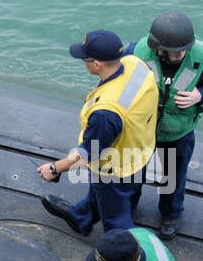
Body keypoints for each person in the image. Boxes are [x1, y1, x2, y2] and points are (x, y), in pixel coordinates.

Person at [38, 30, 159, 238]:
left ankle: (126, 257)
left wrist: (53, 168)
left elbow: (87, 155)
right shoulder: (134, 63)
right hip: (140, 151)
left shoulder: (105, 112)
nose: (83, 62)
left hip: (114, 169)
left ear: (96, 64)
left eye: (85, 59)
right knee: (120, 193)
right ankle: (81, 216)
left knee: (115, 219)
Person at [129, 12, 203, 241]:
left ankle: (170, 215)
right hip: (143, 128)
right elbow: (117, 73)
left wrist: (200, 95)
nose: (181, 54)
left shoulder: (199, 55)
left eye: (184, 49)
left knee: (172, 176)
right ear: (158, 48)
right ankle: (127, 207)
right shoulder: (138, 51)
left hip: (178, 131)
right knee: (133, 172)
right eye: (175, 51)